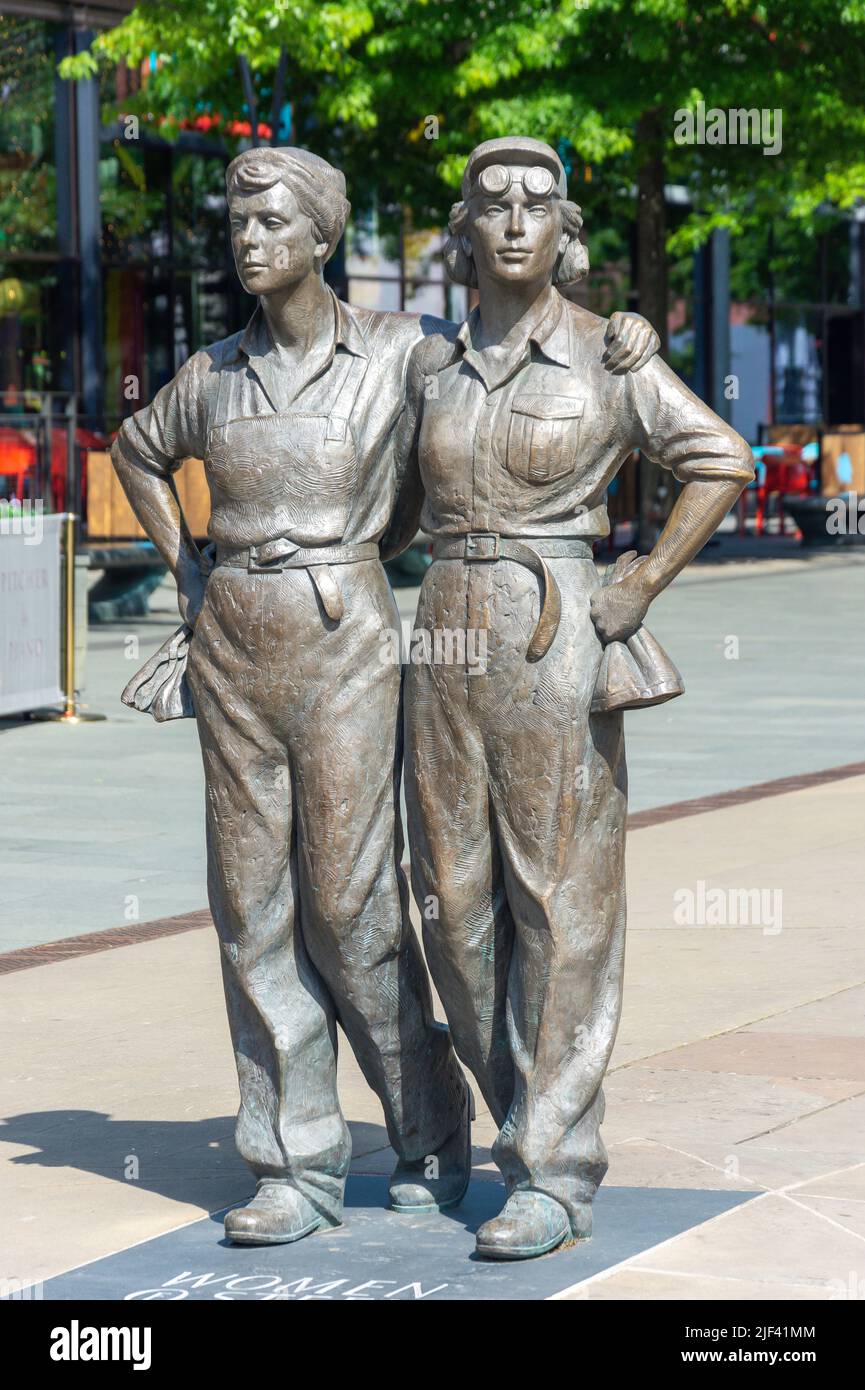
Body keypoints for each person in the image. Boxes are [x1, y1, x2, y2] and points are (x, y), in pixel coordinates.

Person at [113, 144, 656, 1247]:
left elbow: (468, 431)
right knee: (249, 911)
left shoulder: (404, 355)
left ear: (321, 237)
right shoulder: (211, 371)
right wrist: (187, 572)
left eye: (271, 222)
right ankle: (294, 1158)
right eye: (236, 225)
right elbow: (135, 447)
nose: (249, 241)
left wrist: (621, 335)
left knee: (352, 905)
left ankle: (427, 1118)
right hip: (233, 647)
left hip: (348, 643)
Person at [387, 137, 755, 1261]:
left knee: (559, 904)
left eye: (533, 206)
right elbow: (389, 514)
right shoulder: (429, 369)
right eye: (488, 205)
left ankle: (553, 1165)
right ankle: (511, 1113)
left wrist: (641, 577)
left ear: (563, 229)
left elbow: (720, 457)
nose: (510, 222)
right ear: (461, 228)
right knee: (450, 900)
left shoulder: (610, 354)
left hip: (557, 632)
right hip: (443, 633)